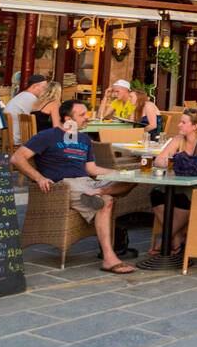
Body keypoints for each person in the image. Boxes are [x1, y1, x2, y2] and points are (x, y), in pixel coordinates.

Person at [11, 100, 137, 274]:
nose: (87, 118)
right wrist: (39, 178)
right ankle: (109, 258)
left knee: (133, 179)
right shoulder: (48, 136)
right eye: (82, 115)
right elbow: (17, 158)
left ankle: (100, 191)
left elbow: (91, 169)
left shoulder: (84, 139)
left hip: (88, 182)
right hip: (65, 185)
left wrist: (119, 173)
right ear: (68, 118)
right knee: (105, 201)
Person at [145, 107, 197, 255]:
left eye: (183, 122)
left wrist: (174, 161)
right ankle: (177, 237)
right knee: (156, 194)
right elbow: (159, 161)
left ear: (195, 126)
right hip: (177, 182)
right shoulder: (178, 139)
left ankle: (165, 239)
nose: (179, 125)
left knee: (183, 198)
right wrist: (175, 162)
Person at [4, 73, 48, 144]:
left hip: (10, 137)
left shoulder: (22, 95)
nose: (46, 91)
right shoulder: (30, 98)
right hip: (19, 139)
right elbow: (40, 118)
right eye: (44, 87)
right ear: (35, 86)